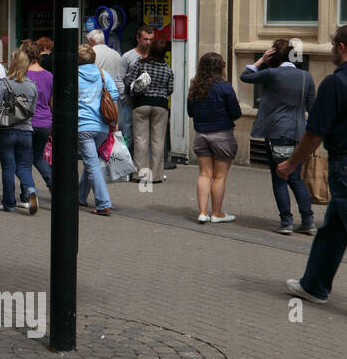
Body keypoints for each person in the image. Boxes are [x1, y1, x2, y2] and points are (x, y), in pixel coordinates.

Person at [280, 26, 347, 304]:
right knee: (333, 229)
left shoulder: (335, 83)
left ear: (341, 47)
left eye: (333, 46)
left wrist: (292, 163)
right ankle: (314, 285)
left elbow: (315, 132)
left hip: (344, 165)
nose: (331, 51)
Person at [242, 40, 317, 235]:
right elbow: (313, 109)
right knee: (296, 178)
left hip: (276, 133)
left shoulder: (272, 73)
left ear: (273, 56)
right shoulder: (306, 77)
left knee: (280, 178)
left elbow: (246, 76)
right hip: (299, 134)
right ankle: (308, 220)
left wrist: (261, 61)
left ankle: (286, 221)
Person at [186, 52, 242, 224]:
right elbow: (236, 112)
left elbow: (190, 112)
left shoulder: (194, 87)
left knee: (204, 174)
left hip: (201, 134)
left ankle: (202, 212)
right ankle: (216, 213)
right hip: (222, 135)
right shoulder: (224, 86)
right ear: (220, 67)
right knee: (219, 176)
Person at [0, 47, 40, 214]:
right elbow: (31, 109)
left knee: (8, 168)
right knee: (24, 166)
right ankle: (30, 189)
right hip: (26, 131)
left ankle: (9, 203)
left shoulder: (4, 83)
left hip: (6, 130)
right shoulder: (32, 86)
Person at [76, 44, 119, 216]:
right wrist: (115, 123)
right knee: (91, 163)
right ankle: (80, 196)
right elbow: (114, 98)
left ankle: (103, 203)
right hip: (102, 127)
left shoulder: (73, 75)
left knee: (91, 164)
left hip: (83, 127)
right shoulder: (103, 74)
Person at [126, 38, 174, 183]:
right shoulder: (167, 69)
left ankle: (141, 175)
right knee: (158, 141)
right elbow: (170, 89)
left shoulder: (140, 64)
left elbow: (130, 82)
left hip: (141, 103)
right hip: (161, 105)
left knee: (141, 139)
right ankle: (157, 176)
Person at [24, 40, 54, 192]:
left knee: (24, 161)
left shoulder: (23, 75)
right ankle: (53, 185)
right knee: (38, 157)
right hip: (45, 122)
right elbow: (51, 103)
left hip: (28, 122)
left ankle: (28, 191)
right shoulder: (49, 76)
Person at [119, 25, 153, 159]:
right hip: (130, 102)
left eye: (151, 39)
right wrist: (125, 97)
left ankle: (145, 168)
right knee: (127, 134)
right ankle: (125, 167)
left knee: (147, 136)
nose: (148, 42)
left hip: (148, 102)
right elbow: (119, 78)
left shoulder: (154, 56)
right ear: (138, 38)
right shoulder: (128, 57)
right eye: (145, 39)